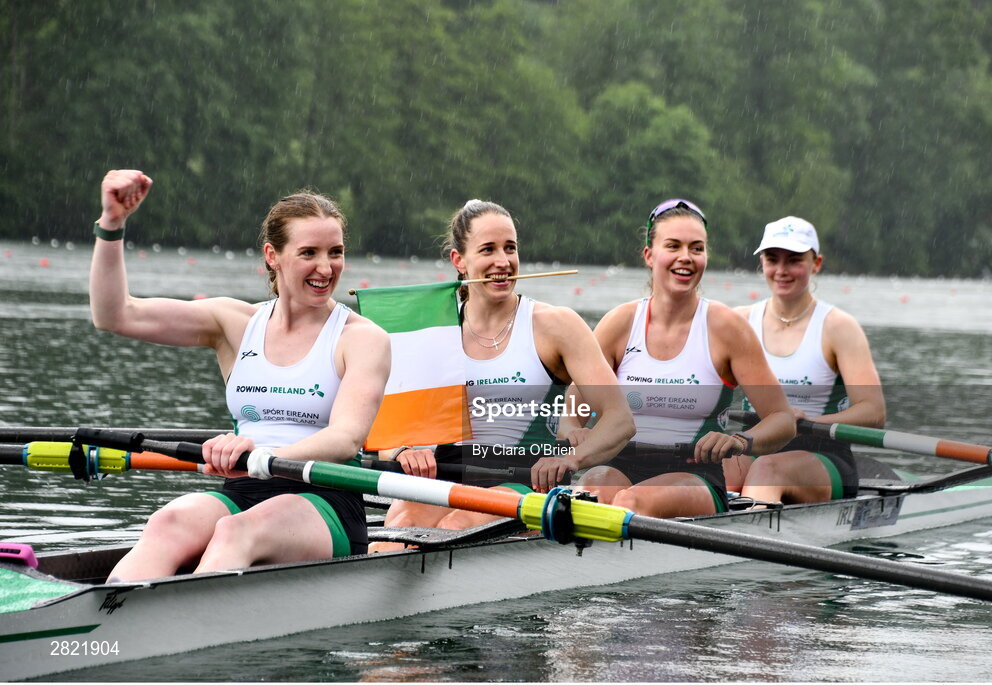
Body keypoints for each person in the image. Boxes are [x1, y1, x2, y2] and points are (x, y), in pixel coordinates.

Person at [91, 169, 390, 581]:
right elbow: (115, 315)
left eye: (335, 252)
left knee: (235, 532)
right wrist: (112, 224)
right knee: (168, 522)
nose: (326, 267)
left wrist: (262, 459)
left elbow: (346, 439)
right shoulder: (234, 323)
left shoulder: (361, 338)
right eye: (309, 253)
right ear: (273, 256)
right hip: (244, 487)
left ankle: (181, 624)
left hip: (325, 500)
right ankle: (109, 626)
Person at [369, 200, 635, 553]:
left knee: (455, 526)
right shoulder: (434, 329)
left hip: (523, 483)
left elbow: (620, 420)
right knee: (401, 527)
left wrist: (570, 460)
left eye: (510, 248)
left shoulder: (555, 325)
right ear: (459, 261)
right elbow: (381, 426)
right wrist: (402, 448)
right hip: (447, 479)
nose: (503, 261)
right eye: (488, 250)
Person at [565, 198, 795, 517]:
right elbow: (574, 405)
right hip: (619, 464)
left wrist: (742, 441)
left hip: (695, 474)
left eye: (696, 248)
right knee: (586, 496)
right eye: (673, 246)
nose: (685, 258)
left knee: (629, 503)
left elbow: (782, 420)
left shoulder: (727, 328)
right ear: (650, 255)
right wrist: (573, 430)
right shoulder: (619, 324)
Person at [733, 216, 885, 503]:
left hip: (822, 454)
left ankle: (742, 535)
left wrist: (810, 419)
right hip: (755, 444)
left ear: (816, 264)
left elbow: (873, 413)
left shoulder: (838, 327)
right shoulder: (738, 322)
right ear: (761, 263)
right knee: (710, 468)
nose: (781, 270)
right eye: (772, 259)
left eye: (794, 260)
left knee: (767, 470)